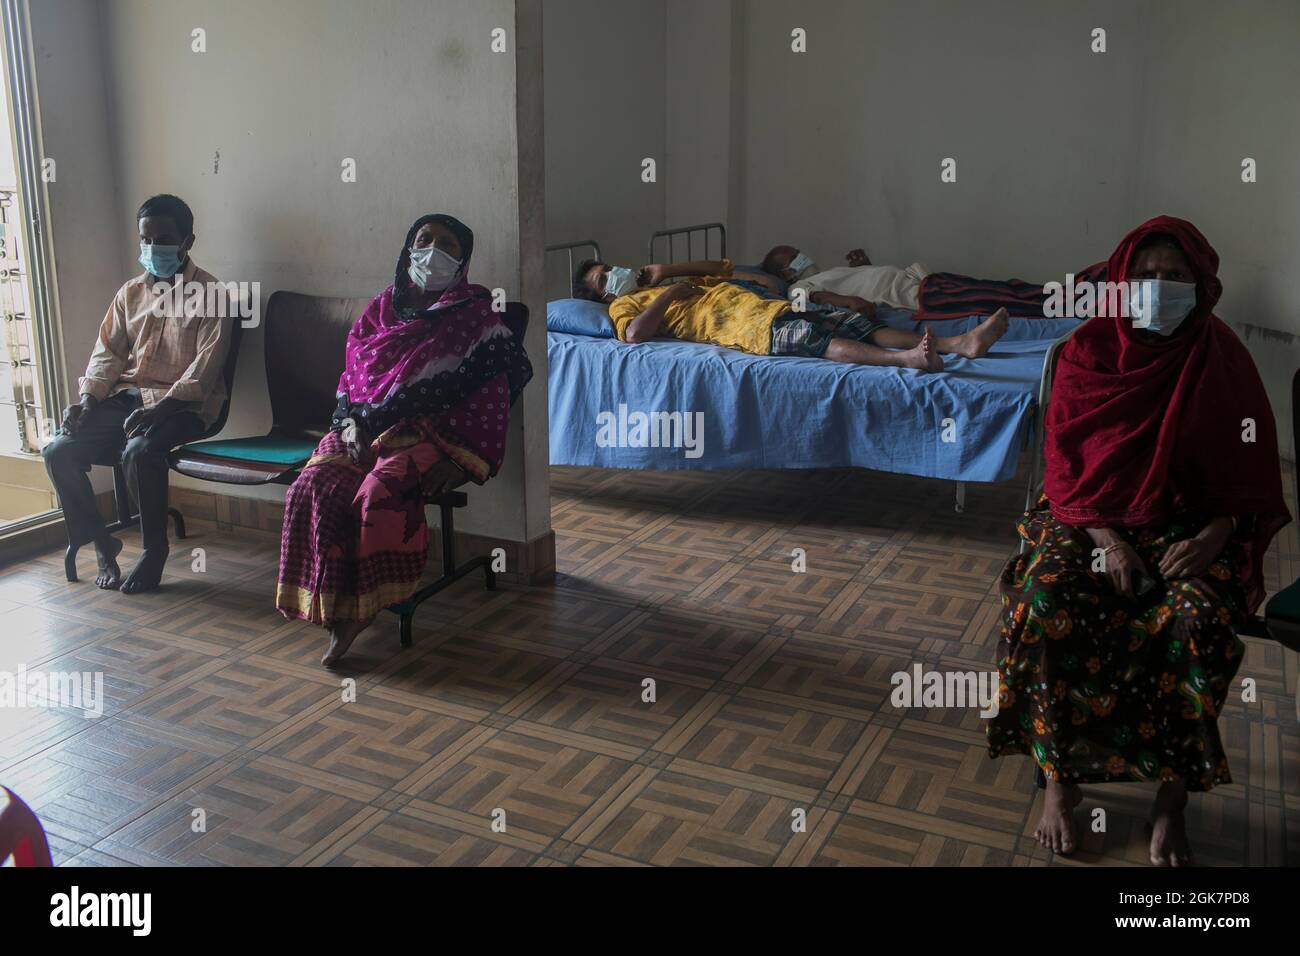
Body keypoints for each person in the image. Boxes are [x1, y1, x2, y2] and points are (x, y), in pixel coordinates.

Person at [986, 216, 1290, 866]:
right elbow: (1065, 470)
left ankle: (1171, 802)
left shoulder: (1222, 360)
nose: (1158, 288)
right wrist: (1108, 539)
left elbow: (1252, 471)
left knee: (1199, 623)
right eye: (1146, 276)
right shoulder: (1085, 355)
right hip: (1090, 517)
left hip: (1191, 524)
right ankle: (1059, 787)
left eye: (1174, 277)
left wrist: (1218, 534)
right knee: (1046, 604)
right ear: (1121, 283)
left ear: (1202, 284)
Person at [275, 214, 532, 667]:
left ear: (462, 260)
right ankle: (331, 599)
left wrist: (461, 461)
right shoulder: (380, 310)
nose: (432, 251)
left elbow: (493, 397)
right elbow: (351, 381)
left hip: (433, 432)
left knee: (379, 493)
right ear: (407, 248)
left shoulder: (477, 315)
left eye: (447, 244)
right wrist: (351, 426)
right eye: (424, 240)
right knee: (313, 485)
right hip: (361, 428)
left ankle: (362, 612)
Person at [43, 194, 232, 594]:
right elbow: (107, 354)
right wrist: (88, 401)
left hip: (186, 404)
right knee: (57, 450)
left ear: (188, 242)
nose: (152, 248)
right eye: (146, 239)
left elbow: (204, 371)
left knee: (140, 451)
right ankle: (101, 542)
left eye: (164, 239)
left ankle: (153, 550)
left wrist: (161, 409)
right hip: (128, 398)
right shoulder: (130, 293)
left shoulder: (212, 294)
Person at [572, 258, 1007, 370]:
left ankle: (959, 344)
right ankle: (908, 360)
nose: (612, 276)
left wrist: (670, 273)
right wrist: (666, 298)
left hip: (767, 306)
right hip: (750, 328)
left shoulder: (655, 281)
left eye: (608, 269)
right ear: (600, 298)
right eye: (602, 281)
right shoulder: (627, 304)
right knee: (822, 344)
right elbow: (632, 337)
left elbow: (719, 269)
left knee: (860, 325)